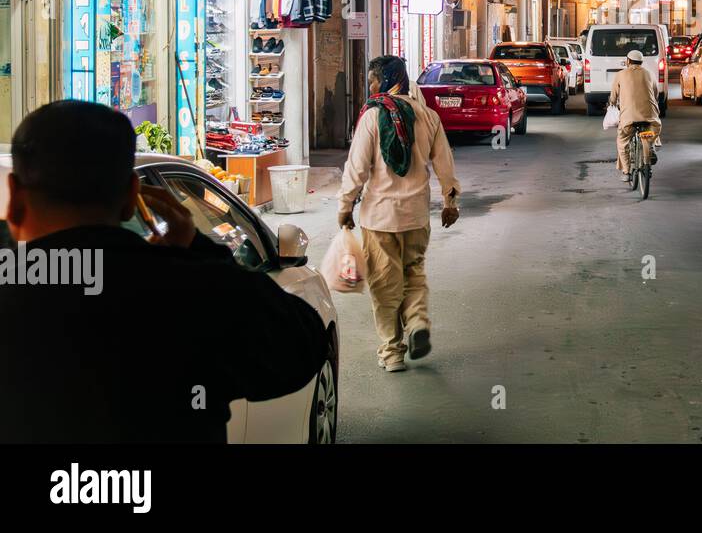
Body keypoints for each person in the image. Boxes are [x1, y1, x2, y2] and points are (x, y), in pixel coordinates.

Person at [0, 100, 327, 443]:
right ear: (131, 197)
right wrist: (199, 251)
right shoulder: (191, 290)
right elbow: (301, 347)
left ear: (17, 201)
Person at [339, 55, 460, 372]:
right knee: (414, 274)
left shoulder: (371, 117)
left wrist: (345, 205)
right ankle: (418, 322)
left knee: (383, 285)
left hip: (379, 219)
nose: (370, 87)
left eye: (373, 81)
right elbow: (445, 163)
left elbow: (357, 168)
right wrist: (450, 201)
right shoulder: (428, 116)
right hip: (416, 216)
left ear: (388, 80)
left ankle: (392, 352)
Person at [608, 49, 661, 182]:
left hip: (629, 118)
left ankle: (626, 172)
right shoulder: (650, 74)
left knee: (623, 141)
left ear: (628, 61)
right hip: (650, 116)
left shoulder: (620, 74)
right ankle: (651, 146)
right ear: (641, 62)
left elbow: (613, 97)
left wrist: (612, 103)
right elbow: (655, 93)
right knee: (653, 130)